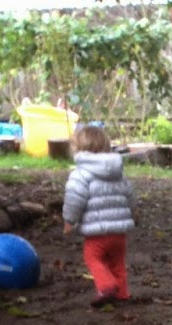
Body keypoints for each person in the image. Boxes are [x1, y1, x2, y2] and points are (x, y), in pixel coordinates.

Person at [62, 122, 136, 308]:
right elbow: (130, 195)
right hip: (119, 232)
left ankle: (106, 286)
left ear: (78, 149)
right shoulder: (117, 173)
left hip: (96, 233)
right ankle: (122, 293)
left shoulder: (80, 174)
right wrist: (134, 213)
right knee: (117, 261)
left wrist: (69, 220)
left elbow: (74, 199)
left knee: (93, 258)